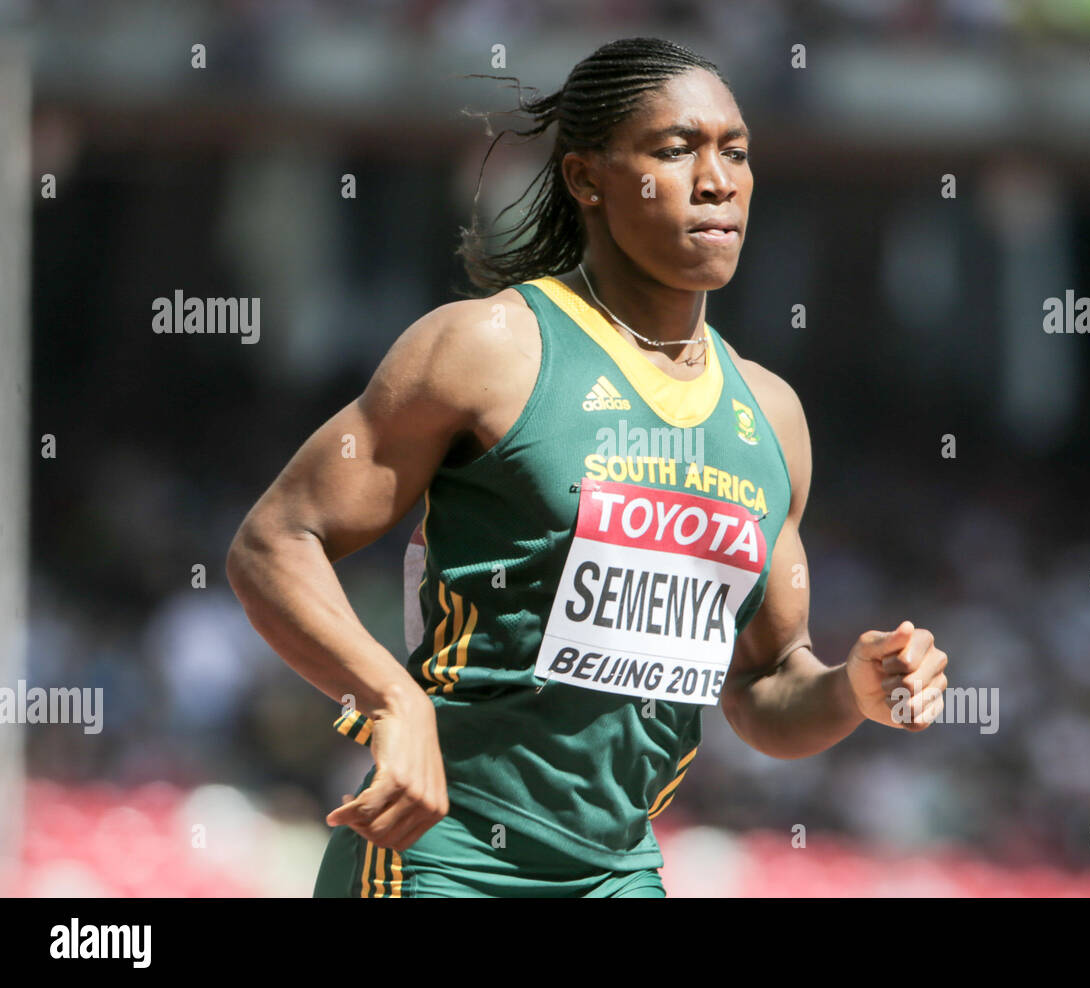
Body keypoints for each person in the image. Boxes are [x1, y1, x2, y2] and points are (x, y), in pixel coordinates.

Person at [226, 36, 949, 899]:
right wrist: (392, 699)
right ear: (586, 179)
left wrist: (850, 692)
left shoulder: (772, 417)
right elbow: (274, 541)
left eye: (737, 152)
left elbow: (761, 683)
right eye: (676, 150)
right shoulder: (489, 350)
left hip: (617, 871)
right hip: (444, 852)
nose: (716, 179)